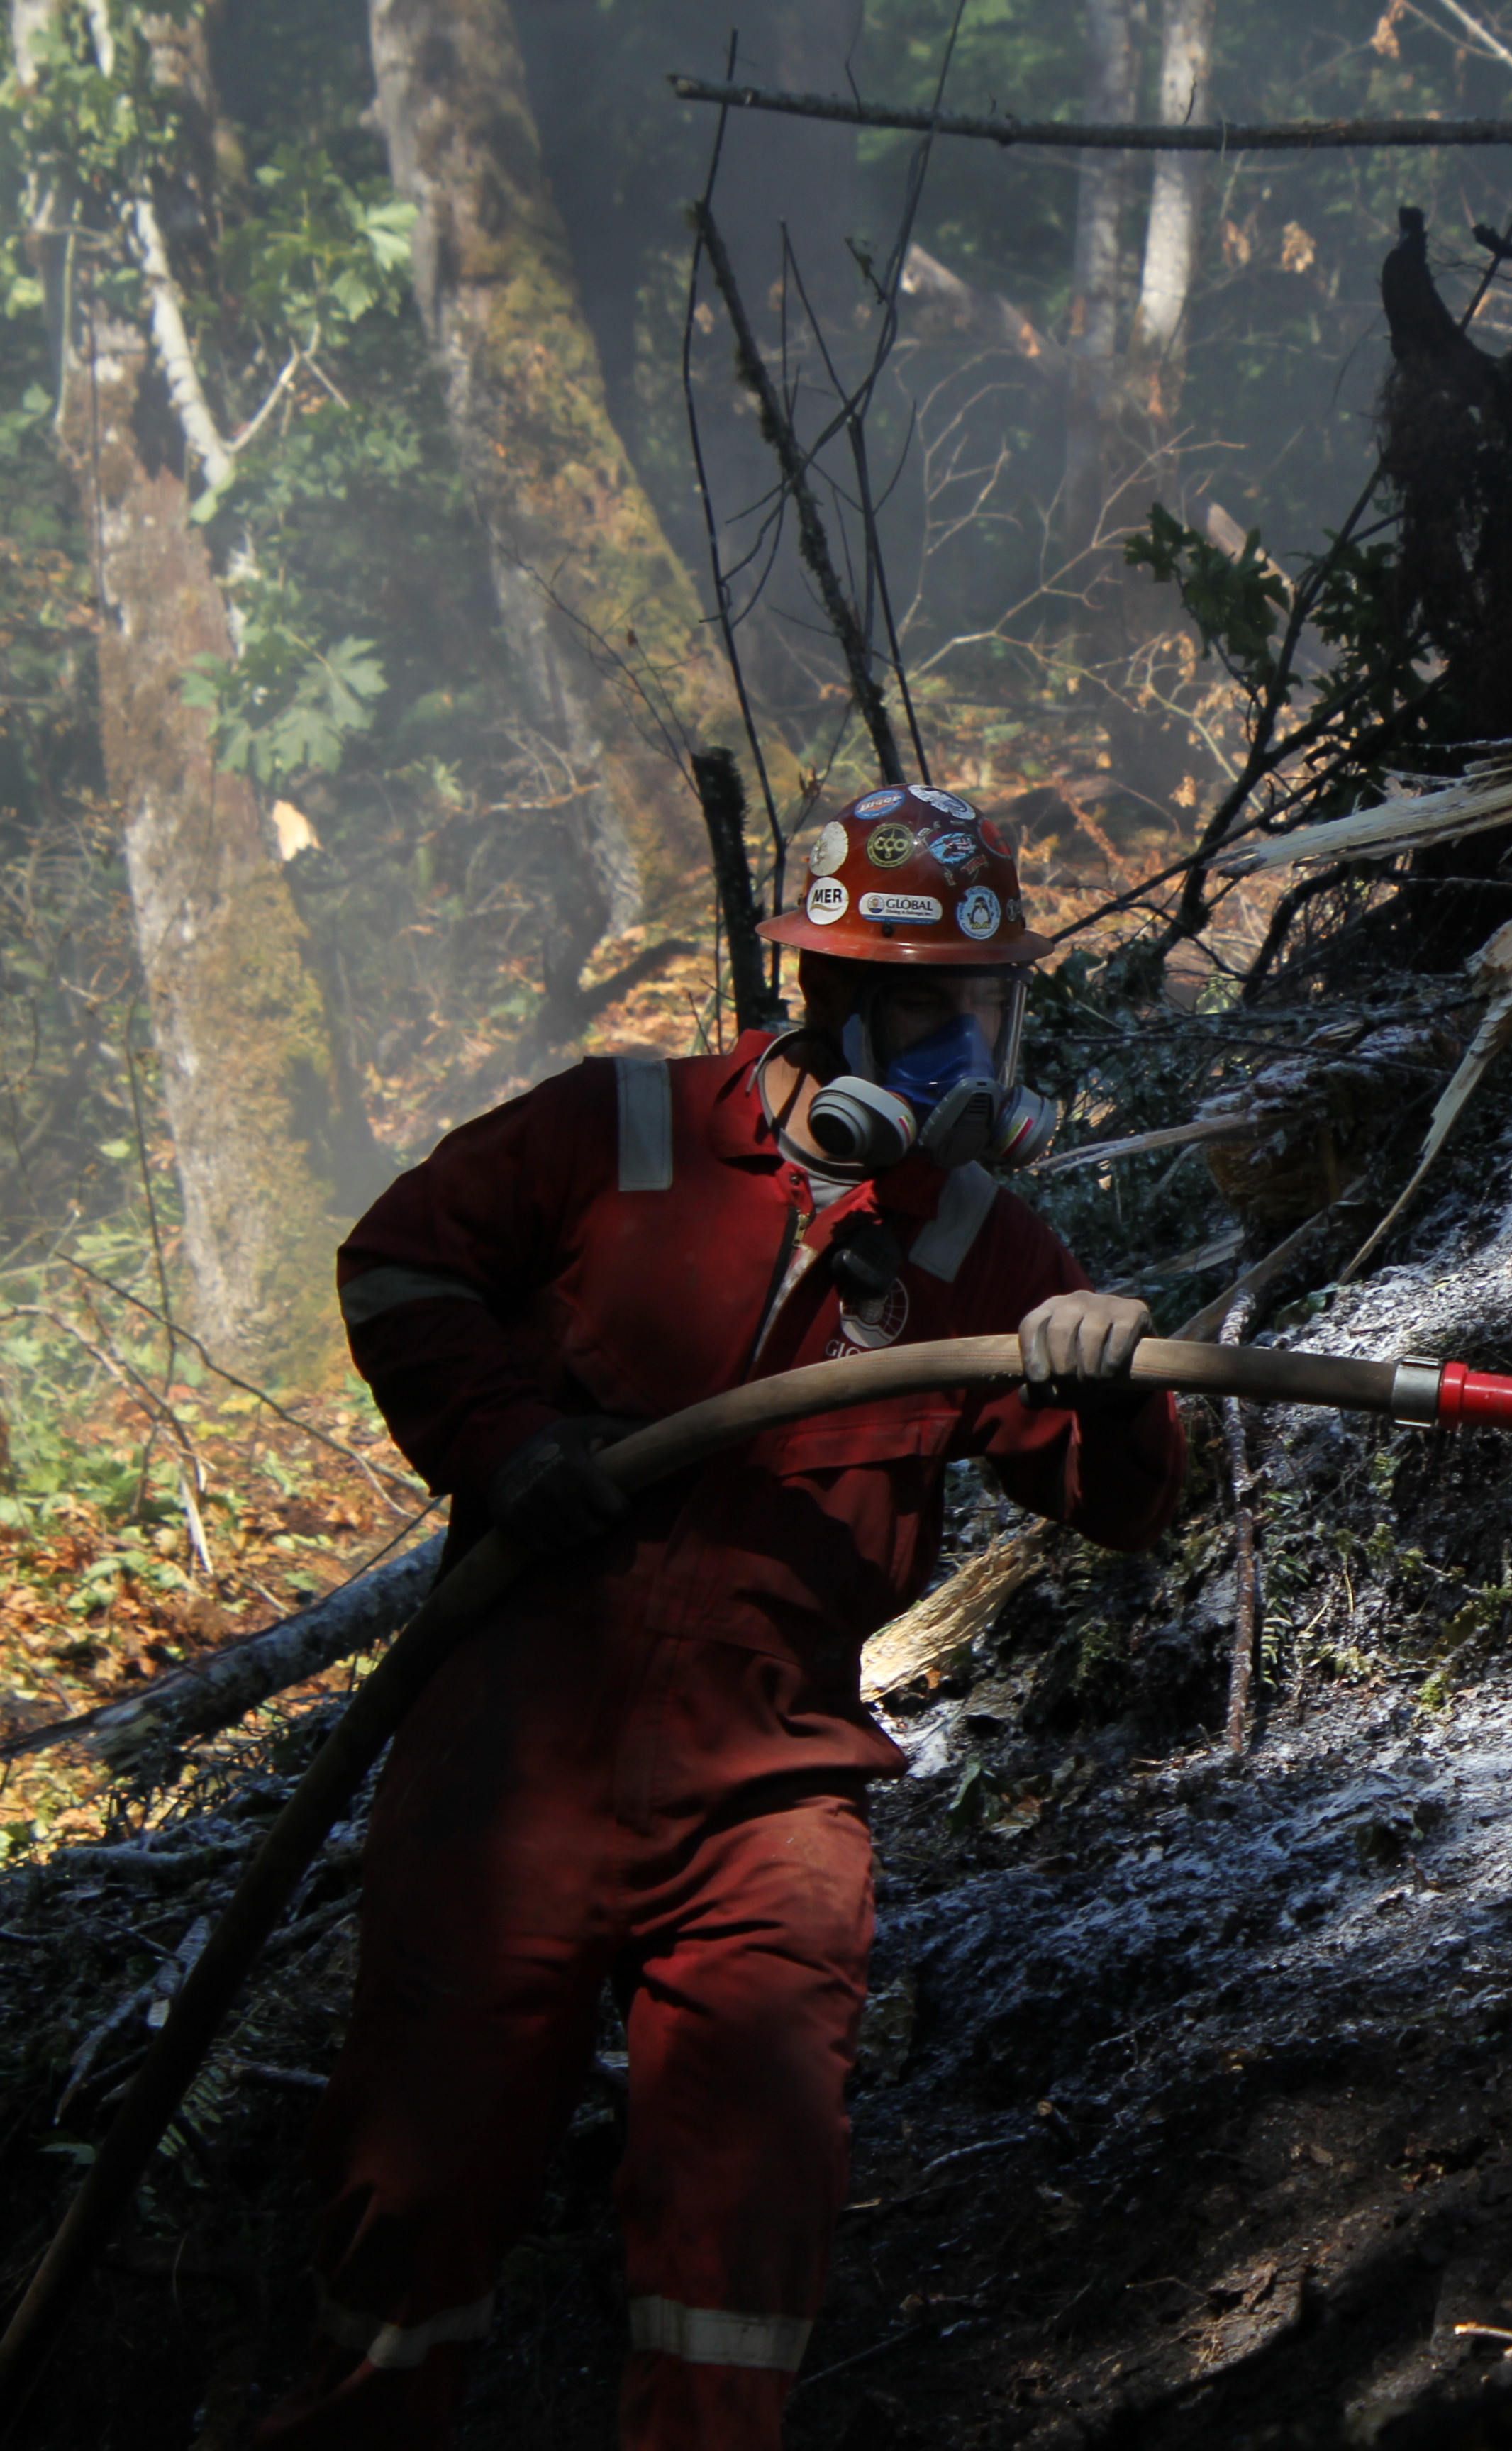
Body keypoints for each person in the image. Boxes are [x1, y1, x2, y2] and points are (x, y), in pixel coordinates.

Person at [257, 784, 1183, 2448]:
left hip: (772, 1782)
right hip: (514, 1752)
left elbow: (1123, 1508)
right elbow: (399, 1266)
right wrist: (509, 1444)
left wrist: (1112, 1386)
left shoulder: (980, 1246)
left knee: (751, 2195)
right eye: (916, 1007)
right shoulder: (622, 1132)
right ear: (821, 997)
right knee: (418, 2176)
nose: (957, 1052)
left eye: (978, 1007)